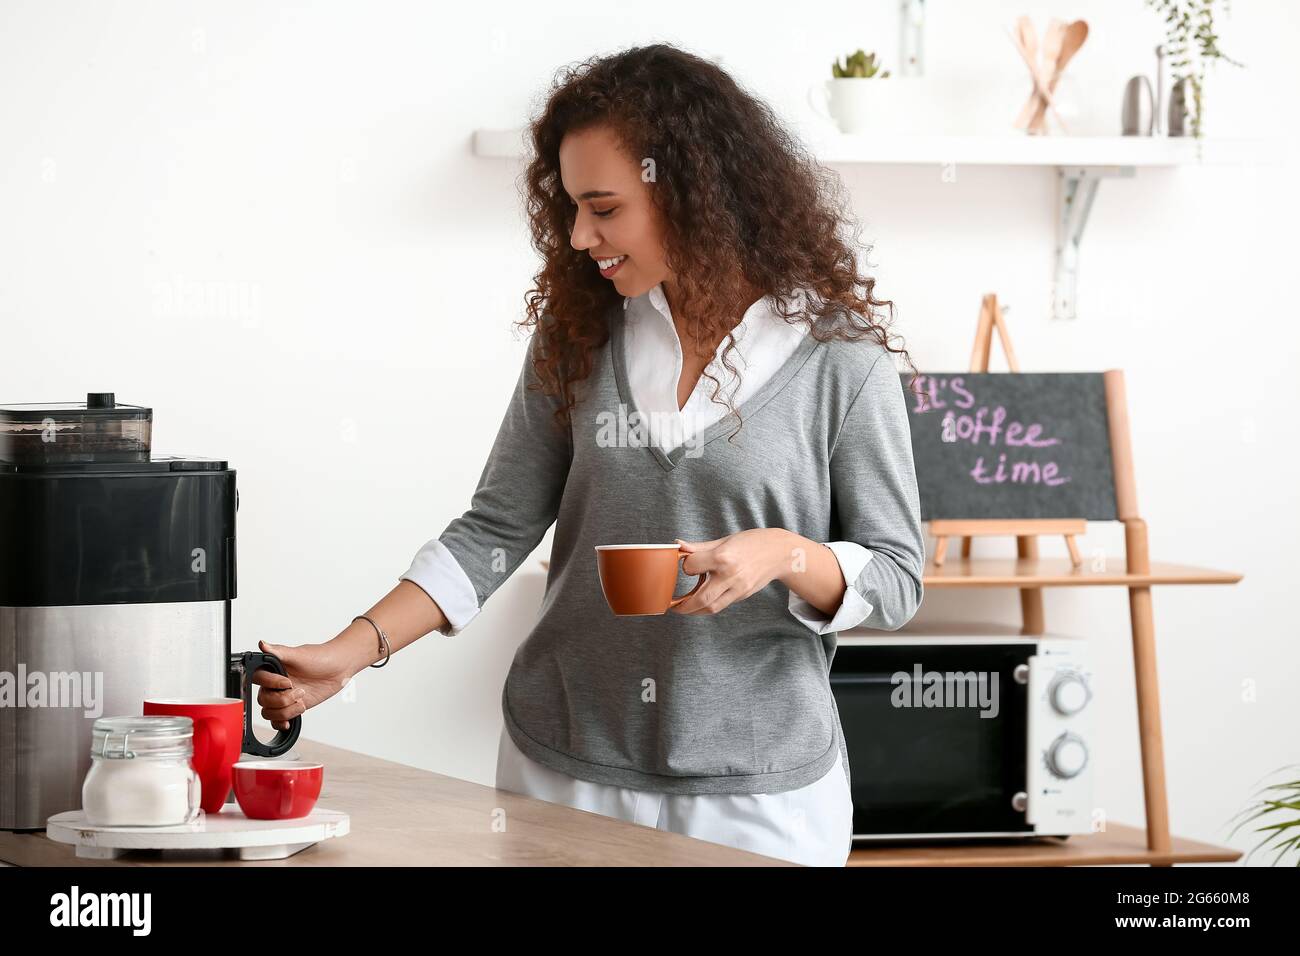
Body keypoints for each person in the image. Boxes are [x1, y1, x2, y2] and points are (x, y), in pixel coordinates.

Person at [252, 43, 925, 867]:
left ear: (693, 192)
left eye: (603, 208)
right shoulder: (579, 334)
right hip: (562, 764)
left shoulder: (839, 360)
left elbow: (896, 576)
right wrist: (347, 654)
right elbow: (495, 528)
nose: (579, 237)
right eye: (571, 207)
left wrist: (782, 554)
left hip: (759, 791)